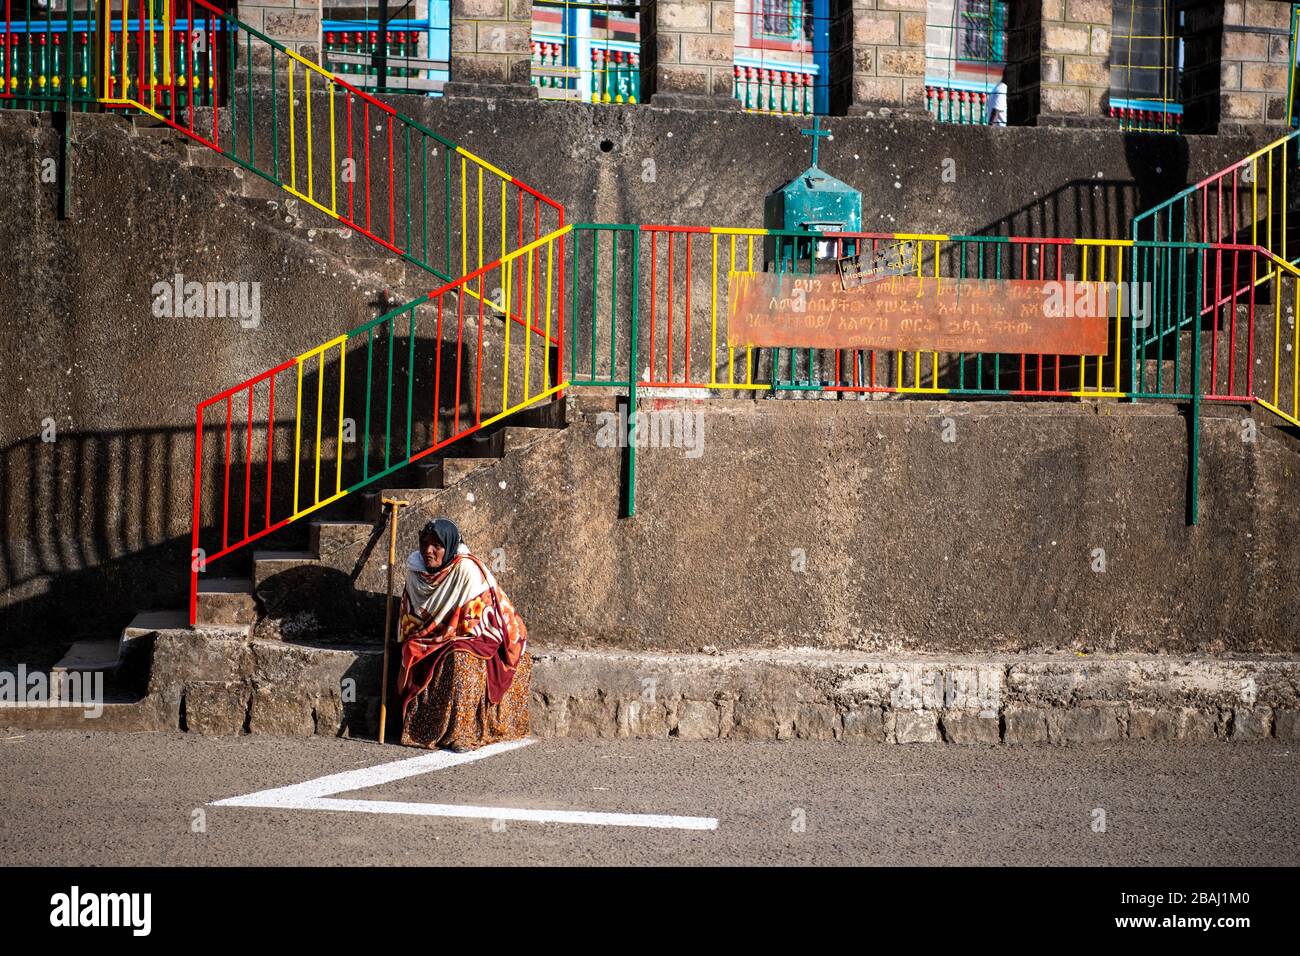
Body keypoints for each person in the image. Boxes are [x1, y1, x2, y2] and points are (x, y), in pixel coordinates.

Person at [394, 518, 530, 751]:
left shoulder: (466, 568)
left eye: (437, 546)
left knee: (462, 657)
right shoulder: (415, 572)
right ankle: (423, 728)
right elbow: (411, 617)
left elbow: (480, 619)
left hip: (478, 633)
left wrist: (447, 636)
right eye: (425, 544)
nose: (429, 550)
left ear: (449, 546)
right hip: (428, 637)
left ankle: (463, 733)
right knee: (419, 652)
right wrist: (430, 637)